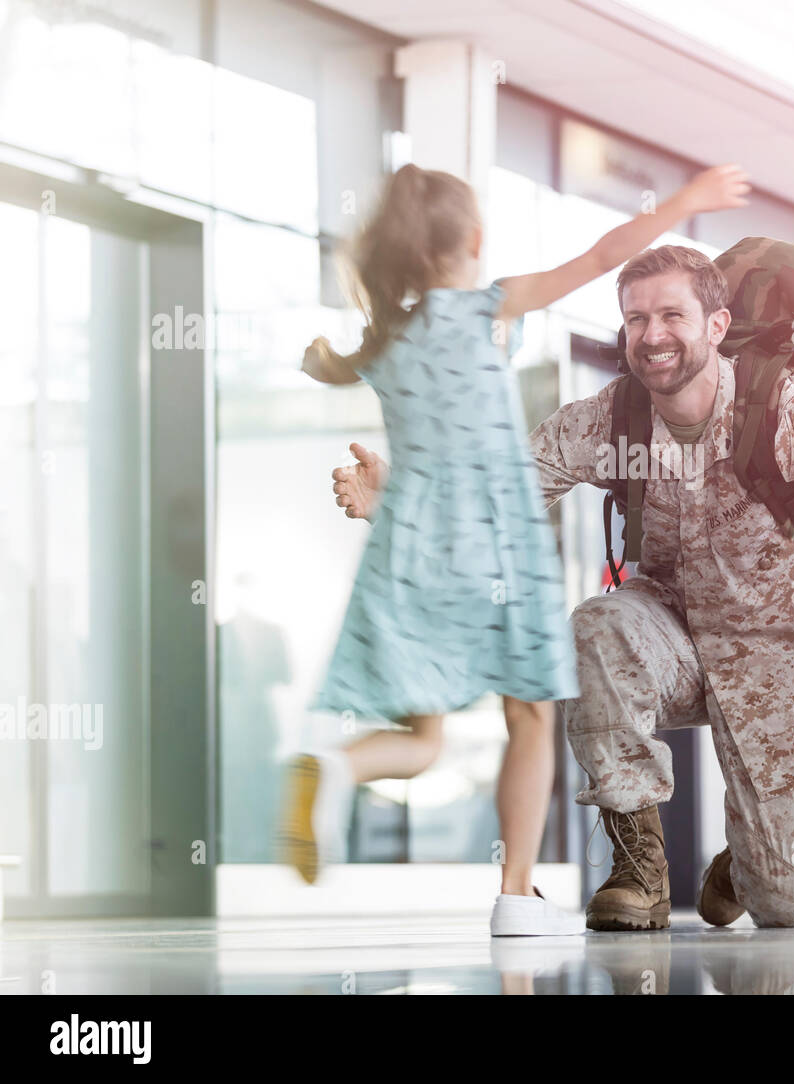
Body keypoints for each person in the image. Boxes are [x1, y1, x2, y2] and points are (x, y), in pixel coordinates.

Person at [333, 243, 794, 932]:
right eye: (635, 319)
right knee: (597, 626)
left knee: (788, 906)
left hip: (789, 666)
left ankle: (751, 863)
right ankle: (639, 870)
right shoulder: (614, 417)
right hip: (674, 636)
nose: (652, 335)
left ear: (715, 326)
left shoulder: (784, 406)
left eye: (672, 316)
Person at [280, 164, 751, 936]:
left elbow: (352, 389)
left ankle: (340, 765)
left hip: (416, 551)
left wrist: (334, 396)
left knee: (425, 740)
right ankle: (516, 895)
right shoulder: (484, 310)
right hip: (499, 550)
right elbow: (603, 256)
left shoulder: (382, 343)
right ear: (472, 240)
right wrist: (685, 203)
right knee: (529, 717)